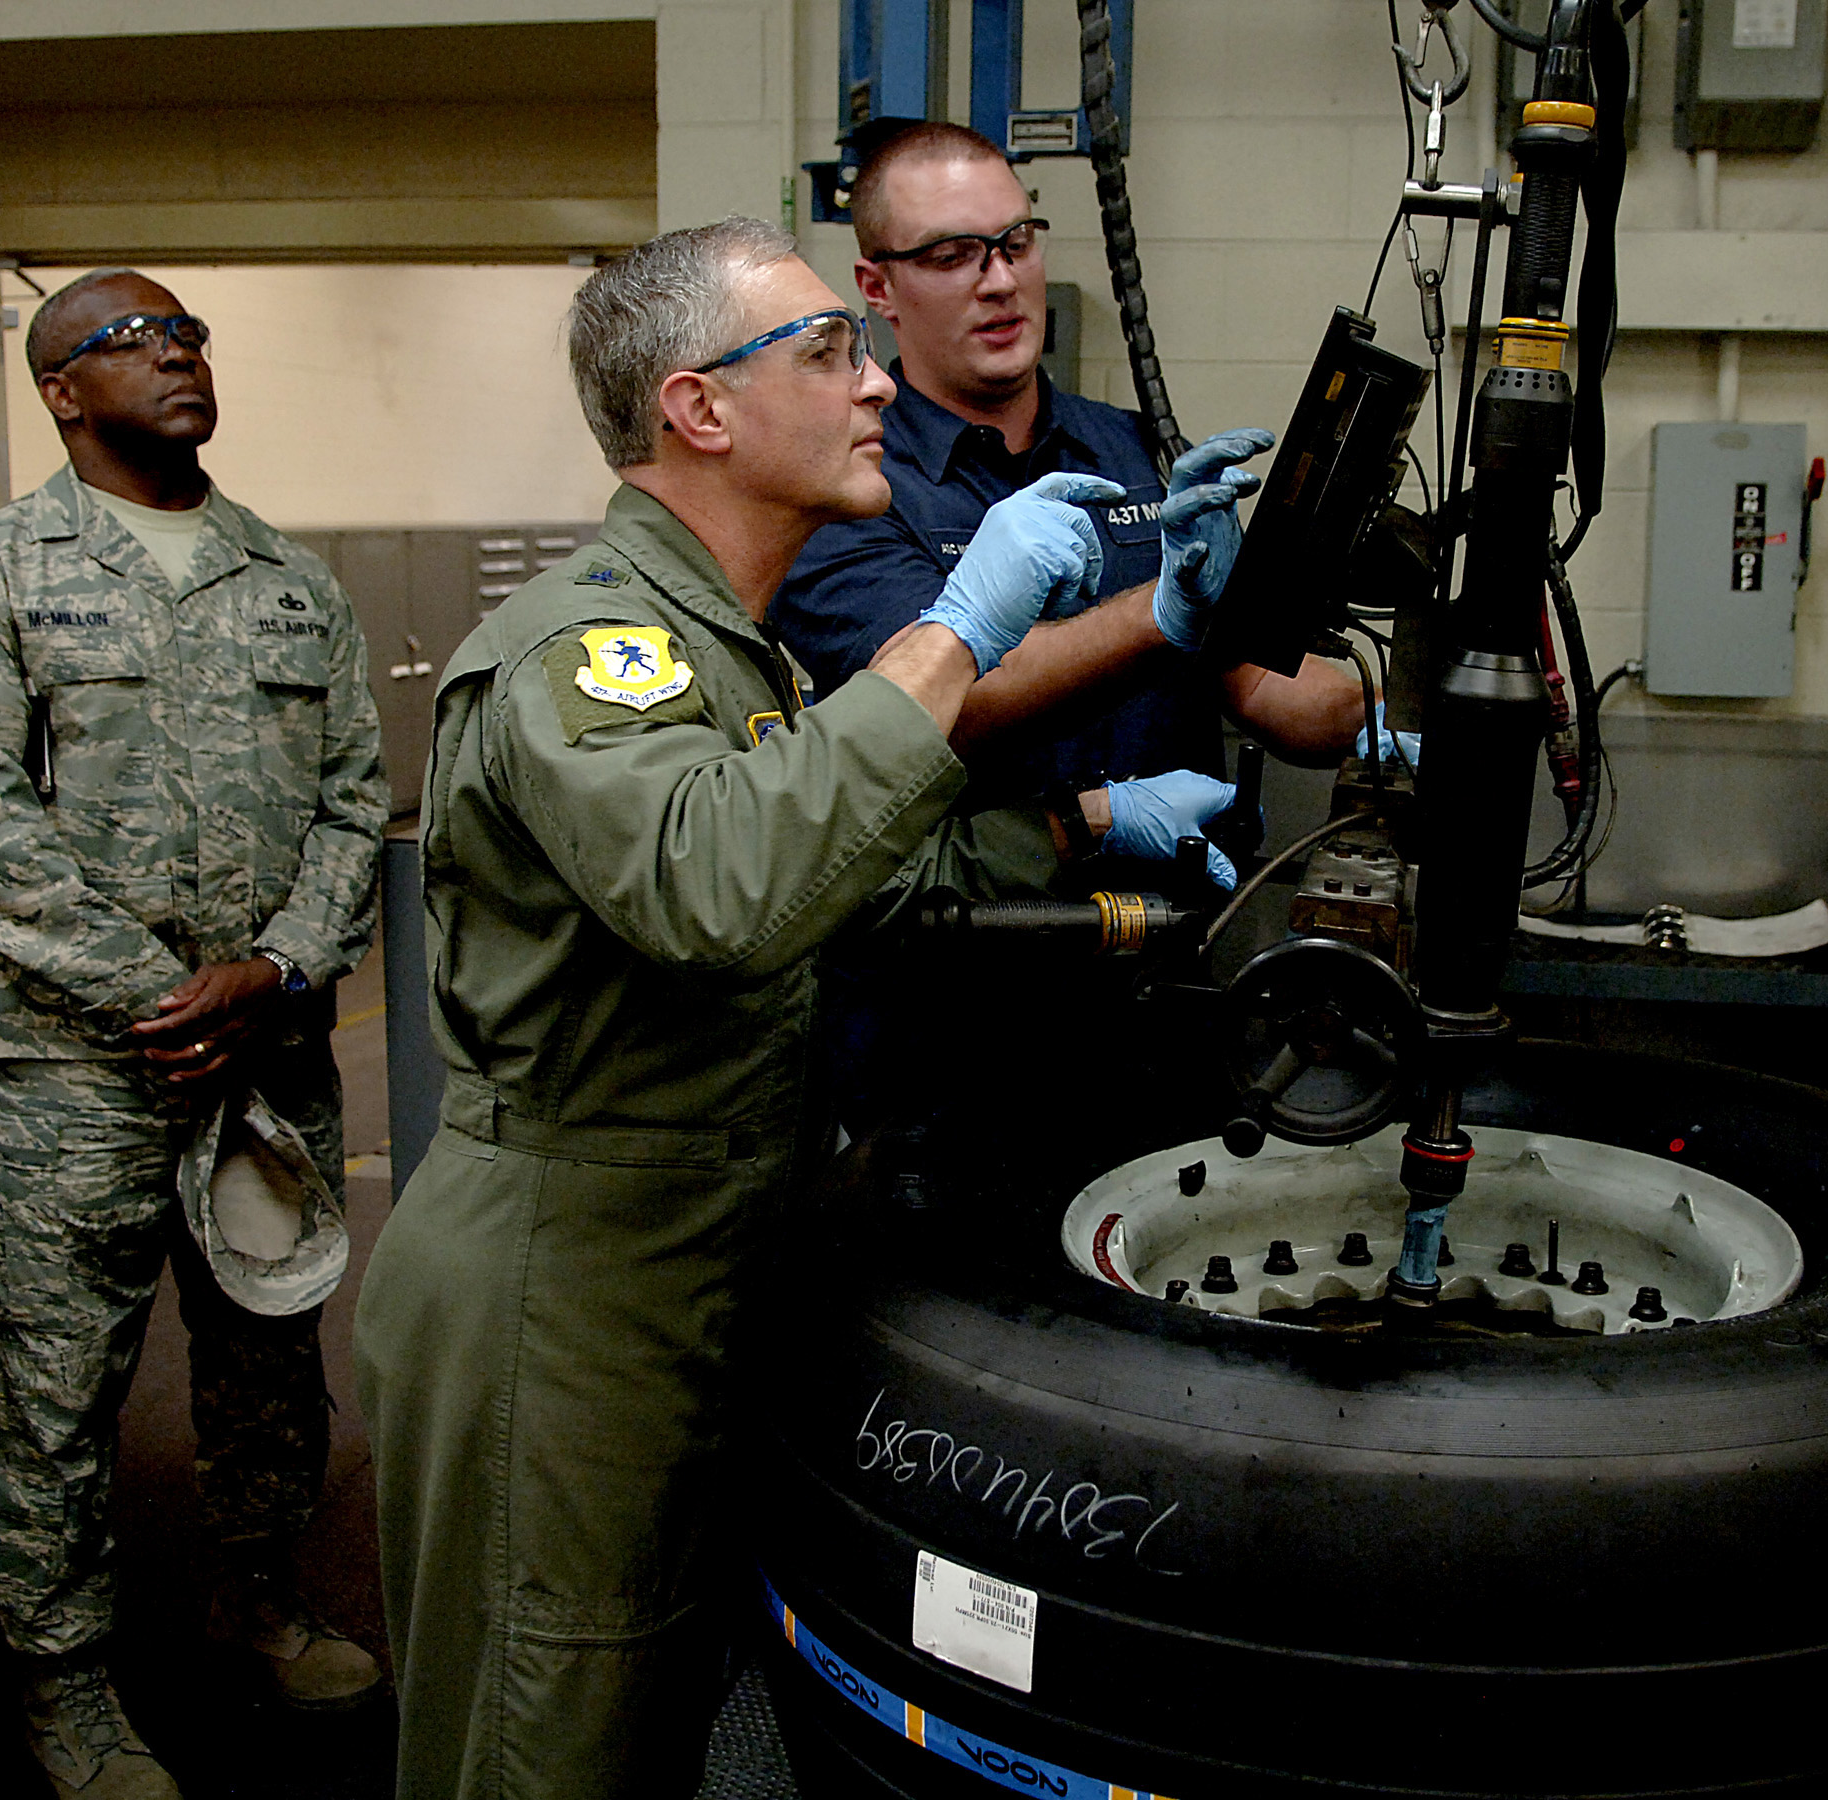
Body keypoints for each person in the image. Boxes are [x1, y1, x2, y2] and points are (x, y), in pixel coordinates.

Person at [350, 215, 1245, 1800]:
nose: (875, 389)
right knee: (542, 1732)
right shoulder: (587, 650)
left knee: (654, 1704)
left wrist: (1095, 821)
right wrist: (957, 629)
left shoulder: (725, 652)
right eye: (829, 351)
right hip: (566, 1288)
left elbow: (861, 871)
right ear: (698, 410)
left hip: (700, 1252)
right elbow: (725, 879)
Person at [0, 269, 389, 1800]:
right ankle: (65, 1691)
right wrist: (154, 993)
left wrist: (287, 971)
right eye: (132, 337)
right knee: (61, 1390)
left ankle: (254, 1602)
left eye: (190, 332)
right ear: (59, 389)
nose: (176, 351)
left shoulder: (289, 581)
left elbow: (357, 803)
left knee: (265, 1369)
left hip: (267, 1062)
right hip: (77, 1081)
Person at [770, 121, 1373, 1139]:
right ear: (876, 289)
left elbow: (1280, 700)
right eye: (952, 255)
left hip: (1155, 989)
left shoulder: (1134, 449)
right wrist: (1166, 610)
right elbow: (937, 710)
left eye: (1015, 242)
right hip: (945, 1014)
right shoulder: (847, 489)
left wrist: (1373, 675)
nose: (999, 281)